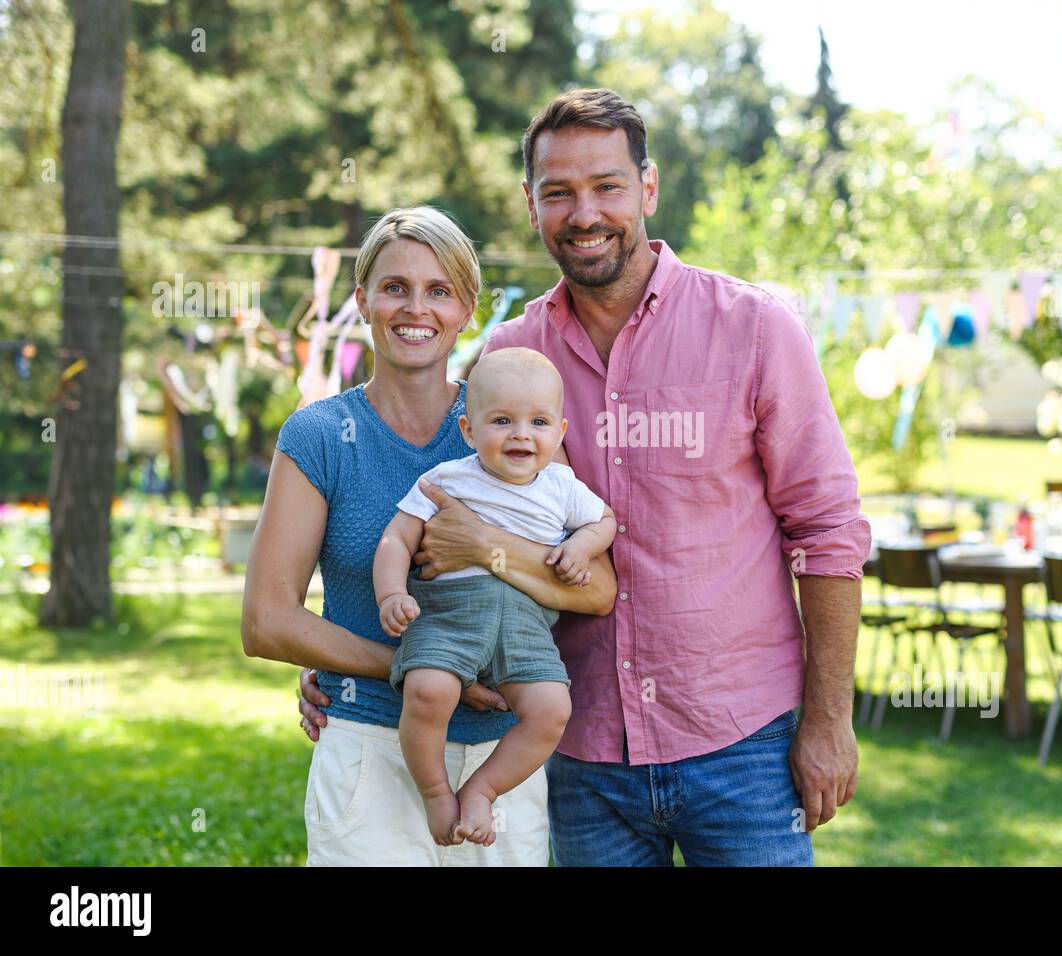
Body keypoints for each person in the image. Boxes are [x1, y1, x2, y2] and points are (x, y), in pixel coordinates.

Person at [303, 88, 871, 867]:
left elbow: (829, 532)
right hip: (574, 750)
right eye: (558, 192)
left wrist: (830, 719)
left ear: (649, 188)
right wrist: (352, 649)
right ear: (531, 203)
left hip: (741, 744)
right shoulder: (509, 354)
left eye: (607, 186)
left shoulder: (755, 329)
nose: (585, 212)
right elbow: (435, 501)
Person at [243, 205, 615, 867]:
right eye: (395, 288)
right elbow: (267, 621)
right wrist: (418, 664)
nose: (416, 308)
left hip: (500, 765)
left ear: (468, 307)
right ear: (362, 300)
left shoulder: (512, 421)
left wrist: (486, 548)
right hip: (369, 751)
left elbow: (596, 591)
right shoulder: (320, 435)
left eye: (439, 290)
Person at [374, 347, 616, 847]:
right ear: (468, 430)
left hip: (526, 626)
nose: (521, 433)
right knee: (428, 691)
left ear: (561, 433)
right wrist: (391, 593)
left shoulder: (562, 487)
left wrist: (580, 545)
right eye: (502, 420)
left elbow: (605, 522)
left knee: (551, 709)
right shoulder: (446, 480)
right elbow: (396, 539)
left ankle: (482, 789)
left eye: (539, 421)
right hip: (449, 615)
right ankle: (437, 792)